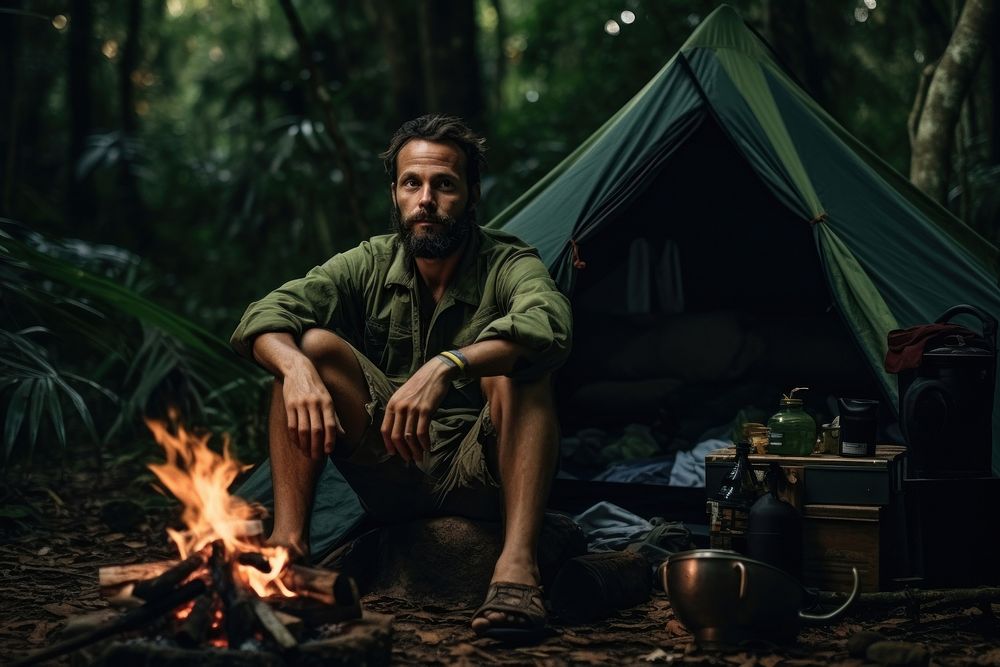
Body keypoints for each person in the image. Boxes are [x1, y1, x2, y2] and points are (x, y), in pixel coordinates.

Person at [230, 114, 572, 641]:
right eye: (412, 183)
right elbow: (267, 313)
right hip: (392, 466)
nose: (426, 200)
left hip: (479, 475)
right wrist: (296, 367)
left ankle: (516, 571)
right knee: (311, 347)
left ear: (472, 193)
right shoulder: (370, 261)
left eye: (445, 184)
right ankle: (289, 551)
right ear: (395, 192)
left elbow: (549, 324)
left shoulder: (508, 262)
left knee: (520, 364)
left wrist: (450, 363)